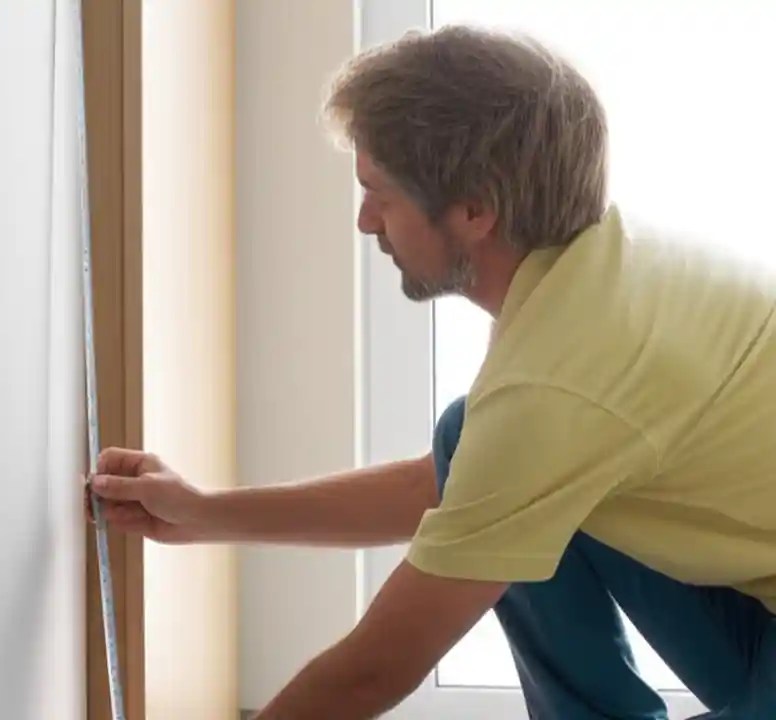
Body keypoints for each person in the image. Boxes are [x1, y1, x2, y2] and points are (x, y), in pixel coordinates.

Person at [87, 24, 776, 720]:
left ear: (475, 209)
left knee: (492, 445)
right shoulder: (598, 279)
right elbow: (460, 487)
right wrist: (206, 514)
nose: (365, 221)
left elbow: (374, 671)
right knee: (465, 437)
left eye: (379, 192)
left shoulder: (561, 380)